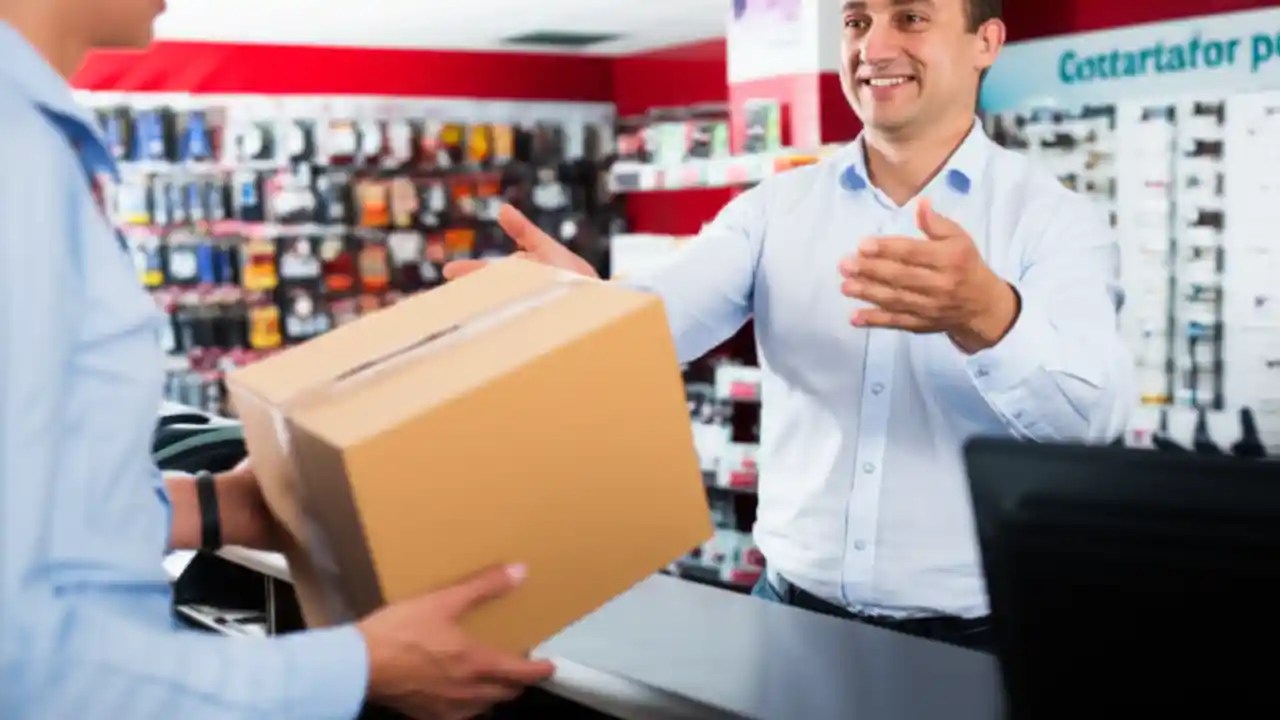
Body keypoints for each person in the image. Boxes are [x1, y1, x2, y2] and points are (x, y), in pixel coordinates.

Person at [445, 0, 1134, 652]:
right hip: (790, 616)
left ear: (986, 43)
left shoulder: (1052, 221)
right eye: (857, 19)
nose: (874, 46)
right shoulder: (776, 208)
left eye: (911, 17)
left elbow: (1089, 423)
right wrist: (577, 305)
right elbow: (654, 325)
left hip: (978, 637)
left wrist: (987, 315)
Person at [0, 1, 553, 718]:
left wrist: (216, 505)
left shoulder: (37, 140)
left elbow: (37, 512)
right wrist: (351, 670)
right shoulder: (16, 156)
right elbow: (25, 661)